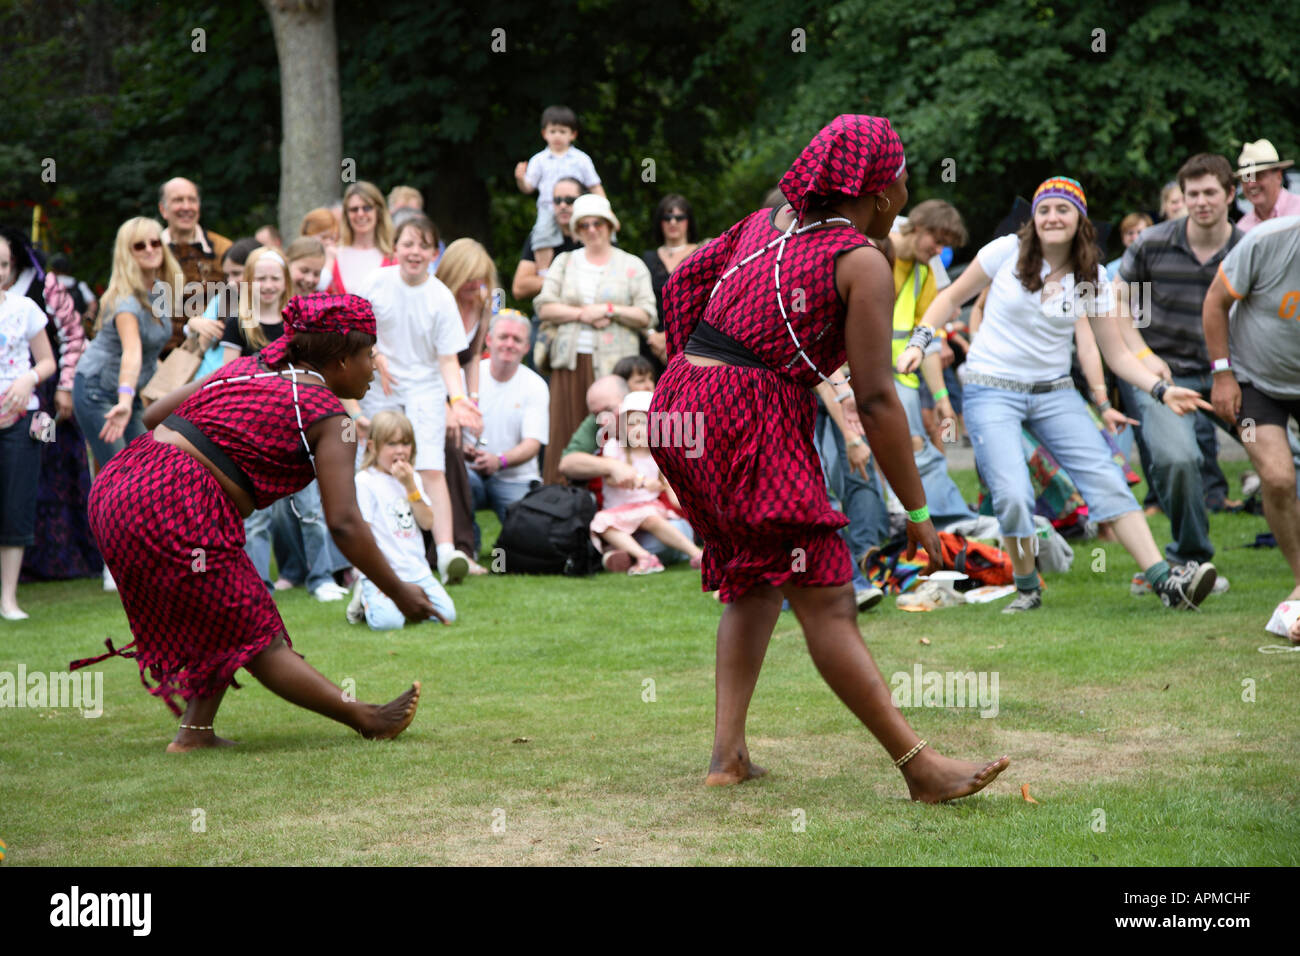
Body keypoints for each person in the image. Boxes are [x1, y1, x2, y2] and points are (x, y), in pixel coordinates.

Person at [651, 114, 1008, 800]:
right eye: (903, 176)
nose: (908, 189)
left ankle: (728, 758)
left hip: (679, 408)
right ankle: (920, 768)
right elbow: (876, 400)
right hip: (738, 413)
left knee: (754, 582)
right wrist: (919, 513)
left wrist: (696, 369)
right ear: (878, 191)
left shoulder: (767, 222)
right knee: (830, 597)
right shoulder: (860, 260)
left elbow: (686, 281)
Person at [70, 293, 432, 750]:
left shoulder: (251, 369)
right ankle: (366, 718)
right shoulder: (328, 416)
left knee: (225, 612)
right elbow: (343, 522)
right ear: (341, 361)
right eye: (368, 355)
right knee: (257, 633)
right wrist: (400, 593)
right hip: (173, 501)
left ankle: (194, 734)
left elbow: (155, 415)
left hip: (119, 485)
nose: (374, 366)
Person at [900, 175, 1217, 613]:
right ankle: (1028, 586)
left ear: (1079, 220)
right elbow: (950, 297)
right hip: (992, 390)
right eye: (1045, 208)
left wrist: (1161, 390)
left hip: (1055, 393)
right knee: (1011, 494)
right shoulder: (1005, 253)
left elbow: (1117, 354)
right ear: (1035, 217)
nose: (1052, 216)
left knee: (1107, 481)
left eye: (1063, 209)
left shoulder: (1093, 279)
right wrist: (918, 342)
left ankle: (1165, 582)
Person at [1113, 154, 1245, 591]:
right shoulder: (1152, 243)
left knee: (1285, 458)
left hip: (1235, 376)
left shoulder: (1246, 248)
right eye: (1193, 194)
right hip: (1168, 378)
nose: (1202, 202)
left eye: (1211, 192)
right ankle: (1190, 561)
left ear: (1230, 194)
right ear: (1182, 198)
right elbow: (1118, 302)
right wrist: (1143, 353)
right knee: (1178, 460)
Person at [217, 247, 349, 602]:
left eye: (275, 278)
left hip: (298, 428)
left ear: (286, 282)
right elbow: (226, 377)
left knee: (310, 510)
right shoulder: (239, 323)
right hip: (253, 433)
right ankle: (260, 586)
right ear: (248, 281)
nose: (269, 285)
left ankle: (321, 578)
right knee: (257, 517)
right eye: (261, 278)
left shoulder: (297, 325)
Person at [355, 216, 482, 584]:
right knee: (373, 469)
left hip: (425, 389)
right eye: (407, 244)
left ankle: (444, 554)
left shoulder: (441, 297)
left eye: (423, 245)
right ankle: (371, 556)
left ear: (433, 253)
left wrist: (457, 399)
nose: (414, 252)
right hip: (381, 388)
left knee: (430, 469)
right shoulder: (374, 284)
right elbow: (357, 331)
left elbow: (447, 360)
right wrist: (375, 355)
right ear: (395, 248)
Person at [1204, 216, 1300, 618]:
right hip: (1253, 380)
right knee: (1277, 478)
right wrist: (1222, 374)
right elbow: (1215, 302)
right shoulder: (1267, 241)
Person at [535, 194, 656, 486]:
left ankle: (615, 498)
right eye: (584, 224)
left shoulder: (632, 264)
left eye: (598, 223)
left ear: (610, 225)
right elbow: (544, 306)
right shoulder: (564, 262)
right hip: (570, 362)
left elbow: (647, 314)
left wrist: (609, 310)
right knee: (565, 431)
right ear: (576, 229)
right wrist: (582, 314)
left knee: (614, 434)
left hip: (615, 369)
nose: (591, 230)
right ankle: (557, 502)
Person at [887, 200, 974, 529]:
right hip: (852, 376)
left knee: (918, 450)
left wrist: (942, 400)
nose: (939, 252)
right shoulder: (874, 252)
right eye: (936, 242)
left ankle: (937, 519)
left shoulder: (923, 273)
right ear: (917, 227)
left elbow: (928, 339)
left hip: (899, 378)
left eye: (945, 246)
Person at [72, 218, 181, 478]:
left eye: (155, 242)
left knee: (150, 468)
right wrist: (124, 401)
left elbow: (153, 350)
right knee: (124, 476)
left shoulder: (159, 293)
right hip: (97, 391)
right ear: (127, 253)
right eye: (139, 246)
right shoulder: (126, 303)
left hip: (127, 394)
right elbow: (132, 354)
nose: (150, 249)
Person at [557, 374, 694, 567]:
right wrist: (613, 466)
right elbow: (567, 463)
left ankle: (624, 556)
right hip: (619, 515)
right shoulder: (611, 442)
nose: (602, 421)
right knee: (606, 527)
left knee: (675, 531)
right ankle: (634, 555)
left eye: (608, 410)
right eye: (596, 415)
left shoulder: (665, 440)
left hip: (659, 517)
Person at [347, 410, 456, 629]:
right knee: (388, 623)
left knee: (447, 614)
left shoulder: (412, 478)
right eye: (392, 444)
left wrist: (410, 487)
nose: (400, 451)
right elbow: (364, 531)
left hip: (417, 571)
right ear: (373, 447)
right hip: (384, 575)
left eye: (406, 443)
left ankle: (396, 602)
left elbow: (427, 523)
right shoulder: (366, 481)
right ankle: (364, 595)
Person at [0, 233, 57, 620]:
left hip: (22, 422)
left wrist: (27, 380)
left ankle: (8, 598)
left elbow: (48, 361)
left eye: (3, 265)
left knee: (16, 507)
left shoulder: (26, 309)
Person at [434, 238, 498, 572]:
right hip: (428, 389)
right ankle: (455, 547)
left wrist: (471, 402)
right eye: (470, 280)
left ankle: (460, 547)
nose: (476, 287)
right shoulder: (437, 301)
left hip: (457, 392)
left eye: (481, 279)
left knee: (456, 456)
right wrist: (445, 406)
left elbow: (472, 357)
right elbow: (430, 362)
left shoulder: (484, 304)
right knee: (447, 456)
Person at [590, 390, 702, 574]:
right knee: (602, 523)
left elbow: (669, 490)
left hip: (647, 507)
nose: (638, 429)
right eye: (632, 423)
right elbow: (610, 478)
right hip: (620, 510)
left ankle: (696, 554)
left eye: (644, 423)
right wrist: (640, 481)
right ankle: (644, 556)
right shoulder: (614, 448)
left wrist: (679, 497)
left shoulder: (658, 454)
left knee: (651, 519)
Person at [464, 311, 549, 540]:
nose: (509, 344)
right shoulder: (467, 376)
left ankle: (511, 548)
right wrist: (462, 450)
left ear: (526, 347)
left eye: (517, 339)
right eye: (503, 337)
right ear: (489, 341)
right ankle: (467, 547)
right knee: (459, 480)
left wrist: (498, 460)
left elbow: (533, 444)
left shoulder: (536, 385)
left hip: (515, 478)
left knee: (526, 540)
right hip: (469, 472)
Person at [514, 105, 604, 274]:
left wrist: (605, 210)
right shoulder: (539, 160)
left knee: (593, 233)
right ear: (544, 133)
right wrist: (520, 179)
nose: (557, 136)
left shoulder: (581, 159)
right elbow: (528, 187)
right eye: (553, 131)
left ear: (573, 134)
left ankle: (595, 267)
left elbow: (594, 185)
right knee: (542, 236)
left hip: (578, 210)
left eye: (562, 131)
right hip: (548, 210)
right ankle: (544, 274)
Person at [157, 177, 231, 351]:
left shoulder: (224, 249)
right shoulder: (151, 251)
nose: (186, 207)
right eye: (178, 200)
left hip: (213, 350)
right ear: (163, 209)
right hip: (161, 356)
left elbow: (240, 302)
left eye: (192, 200)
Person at [640, 195, 700, 372]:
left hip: (691, 344)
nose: (673, 222)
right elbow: (639, 300)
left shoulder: (702, 254)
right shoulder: (647, 259)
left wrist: (672, 339)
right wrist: (654, 336)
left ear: (688, 222)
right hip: (652, 342)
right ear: (660, 222)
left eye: (679, 217)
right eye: (667, 217)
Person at [511, 177, 584, 303]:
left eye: (569, 200)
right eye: (557, 200)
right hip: (549, 312)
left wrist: (546, 276)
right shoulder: (541, 238)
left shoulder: (597, 234)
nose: (562, 205)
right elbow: (519, 288)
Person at [329, 181, 395, 295]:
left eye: (367, 208)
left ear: (378, 211)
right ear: (346, 214)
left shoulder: (393, 257)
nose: (360, 214)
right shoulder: (333, 255)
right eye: (354, 209)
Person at [1236, 139, 1300, 232]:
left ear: (1278, 176)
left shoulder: (1297, 210)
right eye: (1246, 178)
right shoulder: (1242, 229)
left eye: (1258, 175)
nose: (1251, 184)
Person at [1105, 212, 1153, 280]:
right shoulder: (1111, 268)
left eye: (1140, 232)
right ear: (1123, 238)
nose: (1135, 237)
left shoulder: (1159, 265)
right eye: (1130, 233)